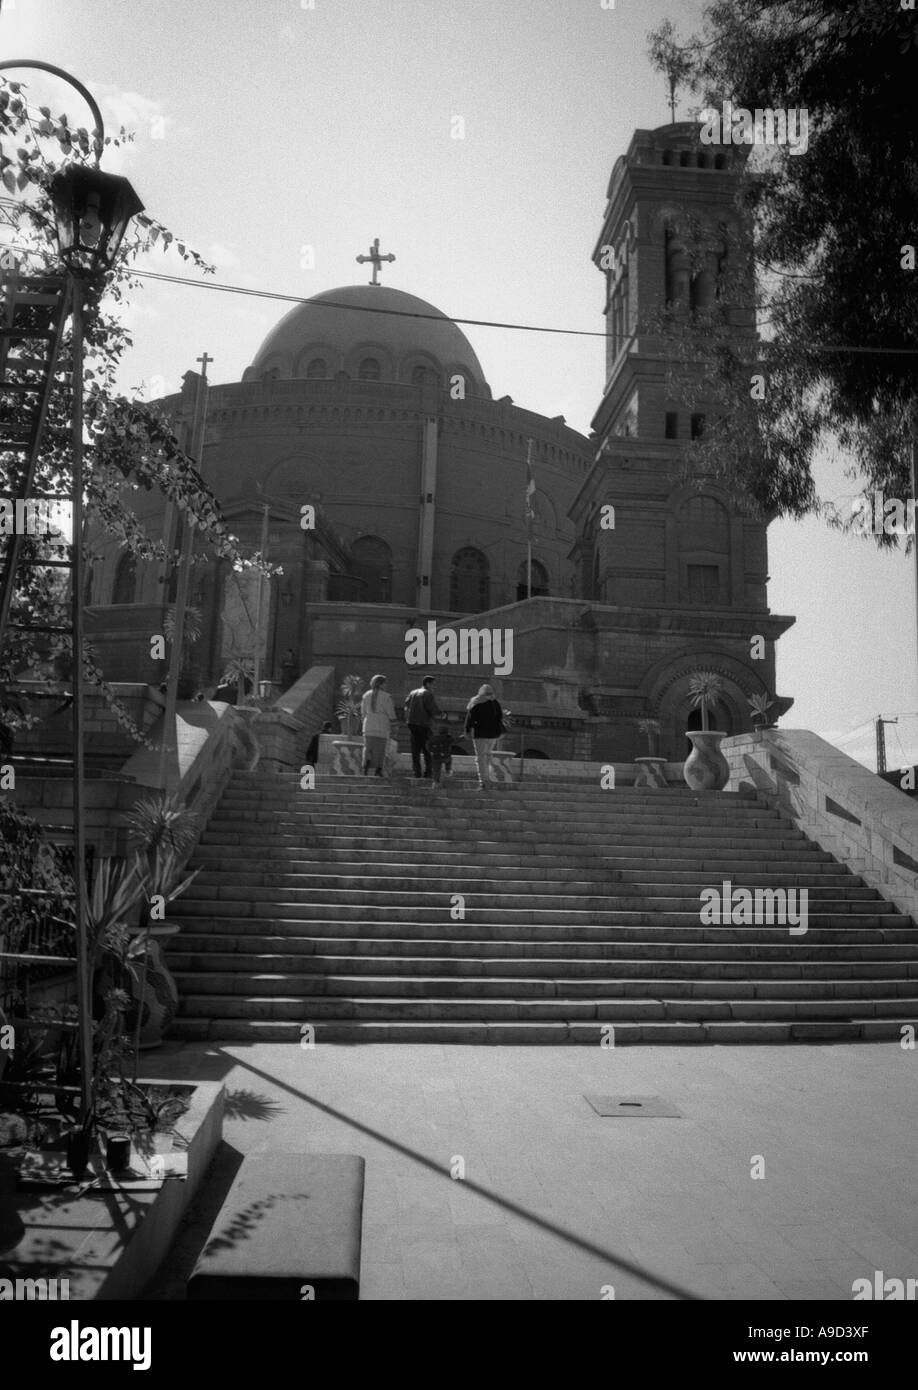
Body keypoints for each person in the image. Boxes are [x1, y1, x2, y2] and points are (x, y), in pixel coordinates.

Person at [464, 683, 504, 790]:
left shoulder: (476, 702)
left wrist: (467, 731)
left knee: (481, 758)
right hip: (492, 736)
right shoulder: (495, 703)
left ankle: (483, 780)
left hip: (480, 735)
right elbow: (500, 718)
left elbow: (470, 719)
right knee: (487, 756)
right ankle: (487, 779)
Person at [404, 675, 441, 779]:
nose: (435, 686)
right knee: (428, 750)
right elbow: (433, 710)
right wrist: (442, 714)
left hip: (412, 725)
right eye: (433, 684)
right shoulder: (428, 694)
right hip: (424, 725)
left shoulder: (413, 693)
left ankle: (416, 772)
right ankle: (428, 772)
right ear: (428, 684)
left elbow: (406, 704)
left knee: (415, 750)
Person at [360, 675, 396, 777]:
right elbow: (391, 713)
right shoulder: (386, 696)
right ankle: (378, 769)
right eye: (385, 683)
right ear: (381, 684)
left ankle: (365, 767)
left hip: (368, 725)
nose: (386, 685)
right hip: (382, 726)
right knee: (381, 749)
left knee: (367, 748)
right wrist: (394, 724)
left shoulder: (366, 695)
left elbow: (362, 713)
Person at [427, 723, 453, 790]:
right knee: (449, 760)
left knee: (436, 771)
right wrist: (463, 737)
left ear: (439, 732)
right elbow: (456, 740)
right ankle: (448, 770)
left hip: (436, 757)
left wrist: (432, 751)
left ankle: (435, 783)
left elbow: (428, 745)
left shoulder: (433, 738)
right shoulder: (448, 738)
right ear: (447, 732)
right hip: (445, 757)